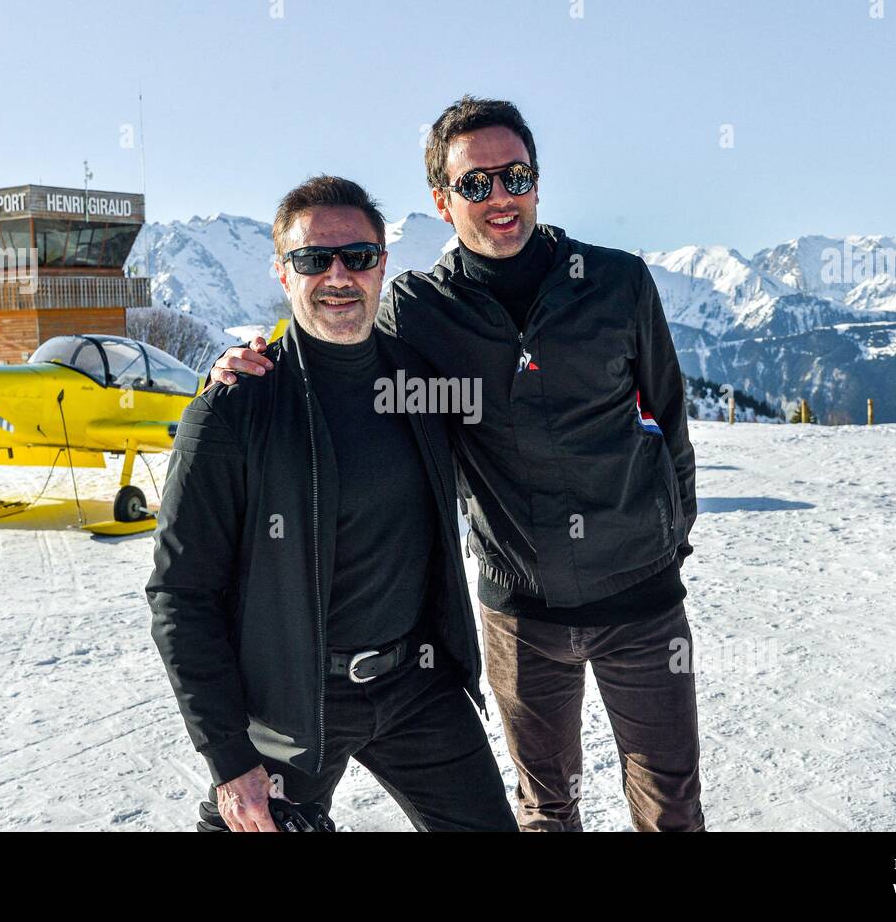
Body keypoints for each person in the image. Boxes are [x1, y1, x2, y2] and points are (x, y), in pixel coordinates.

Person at [211, 97, 704, 831]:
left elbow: (667, 416)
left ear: (537, 181)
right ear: (443, 202)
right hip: (522, 613)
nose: (499, 196)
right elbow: (334, 344)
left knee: (671, 805)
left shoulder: (616, 282)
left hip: (642, 600)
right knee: (545, 806)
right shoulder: (418, 309)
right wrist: (246, 372)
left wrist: (667, 540)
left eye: (515, 175)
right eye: (475, 183)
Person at [146, 175, 516, 832]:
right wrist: (230, 759)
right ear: (283, 272)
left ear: (382, 264)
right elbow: (181, 593)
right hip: (293, 700)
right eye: (314, 259)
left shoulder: (418, 383)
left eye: (359, 257)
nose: (338, 275)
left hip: (418, 685)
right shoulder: (236, 407)